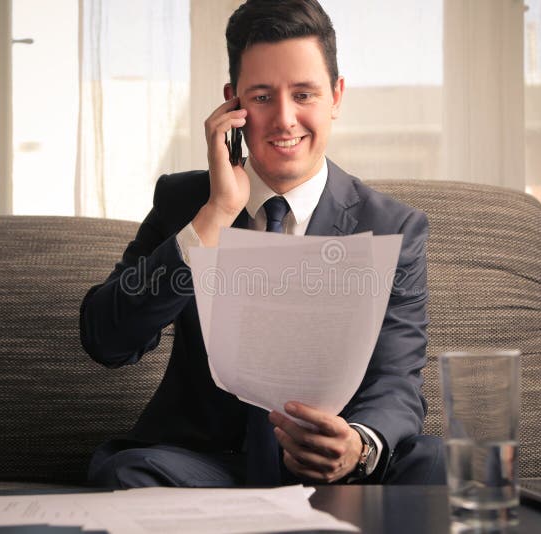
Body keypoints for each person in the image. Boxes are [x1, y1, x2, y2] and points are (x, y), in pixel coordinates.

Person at [79, 0, 443, 488]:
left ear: (336, 96)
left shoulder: (392, 227)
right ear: (233, 104)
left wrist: (357, 445)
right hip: (210, 465)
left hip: (334, 470)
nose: (285, 119)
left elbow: (397, 378)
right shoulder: (185, 201)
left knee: (437, 463)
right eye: (263, 96)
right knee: (127, 473)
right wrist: (214, 217)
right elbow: (107, 339)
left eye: (305, 94)